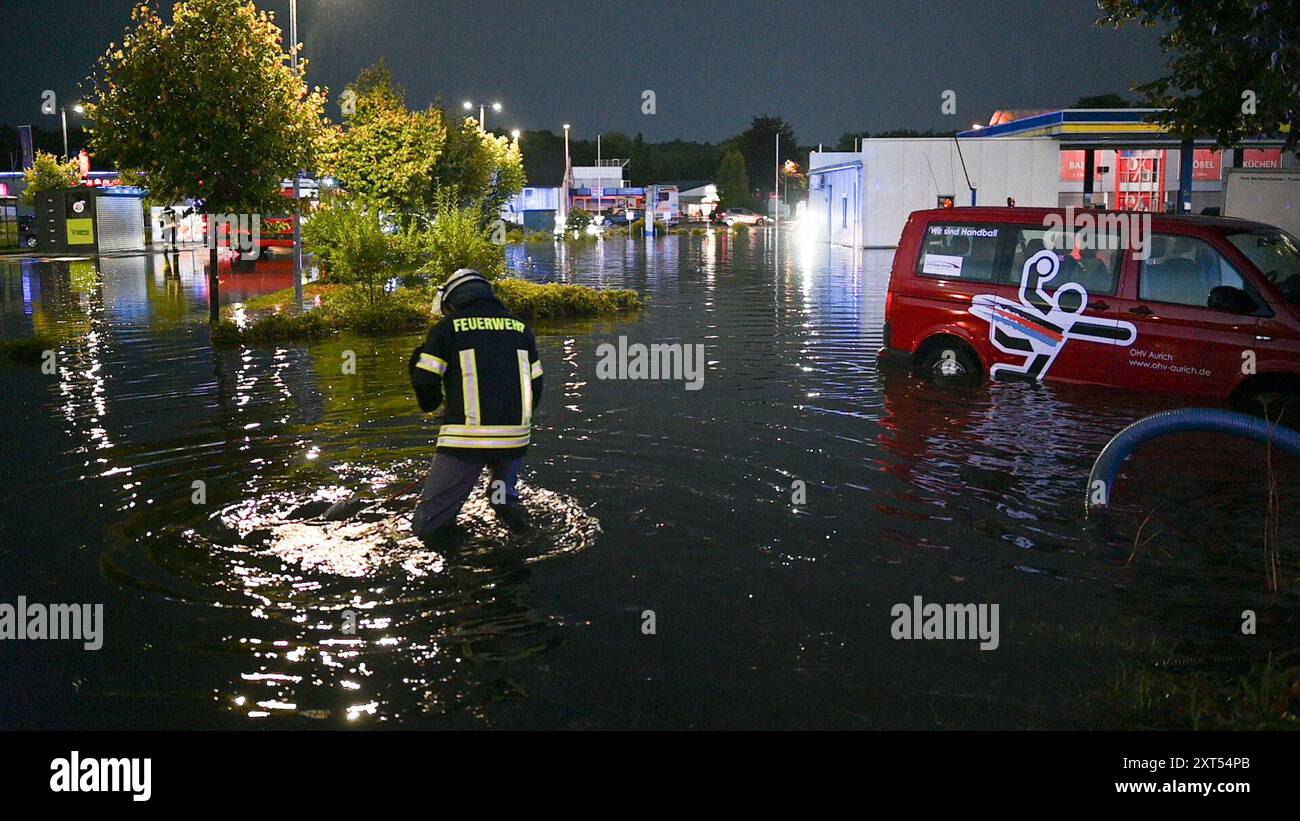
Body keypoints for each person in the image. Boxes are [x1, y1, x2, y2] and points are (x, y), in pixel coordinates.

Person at [408, 269, 543, 540]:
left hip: (465, 441)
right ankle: (525, 539)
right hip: (514, 439)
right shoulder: (520, 328)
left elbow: (424, 378)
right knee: (502, 500)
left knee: (429, 525)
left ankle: (446, 563)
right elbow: (536, 385)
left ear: (452, 300)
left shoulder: (448, 328)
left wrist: (436, 409)